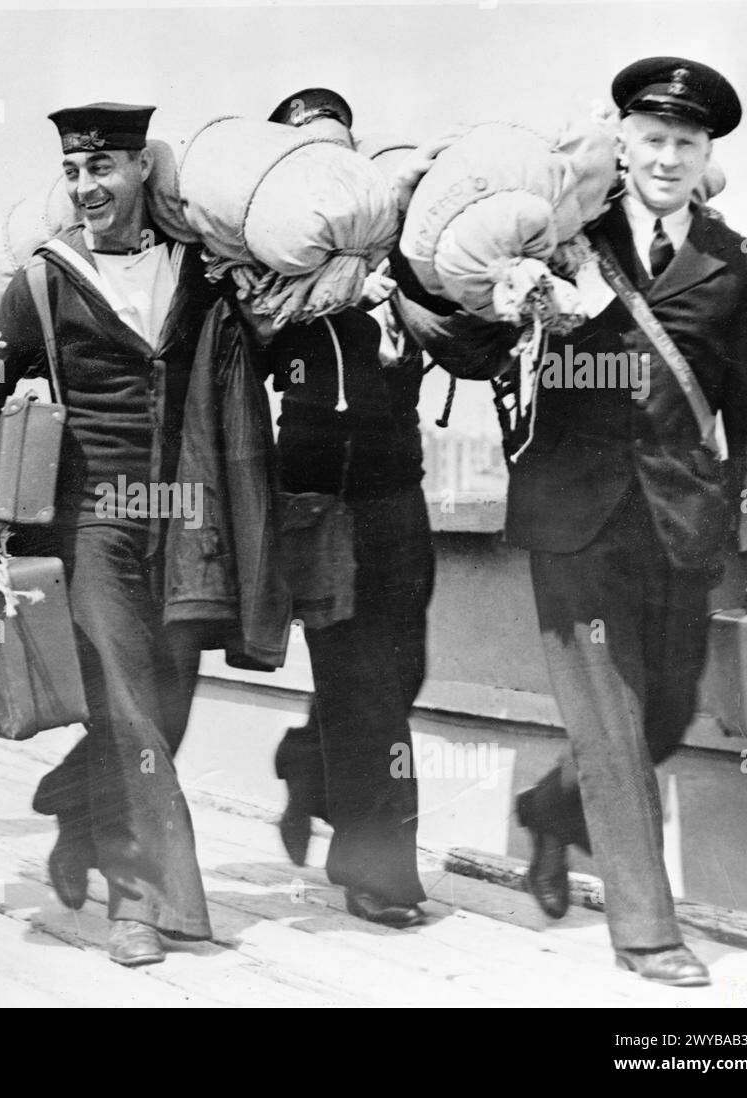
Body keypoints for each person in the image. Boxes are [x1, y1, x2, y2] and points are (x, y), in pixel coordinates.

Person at [404, 58, 747, 986]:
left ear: (706, 158)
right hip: (574, 514)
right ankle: (648, 932)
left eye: (685, 144)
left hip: (681, 518)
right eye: (651, 140)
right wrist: (488, 289)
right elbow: (463, 337)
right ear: (621, 142)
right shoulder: (559, 232)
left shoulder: (738, 262)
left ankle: (549, 811)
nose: (666, 157)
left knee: (667, 709)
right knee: (612, 727)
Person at [0, 103, 219, 966]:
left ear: (143, 169)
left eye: (102, 168)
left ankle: (77, 806)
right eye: (73, 172)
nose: (86, 187)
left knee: (168, 702)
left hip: (181, 518)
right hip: (93, 518)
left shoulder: (200, 269)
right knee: (134, 709)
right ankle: (140, 906)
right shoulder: (45, 280)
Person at [263, 89, 433, 928]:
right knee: (367, 686)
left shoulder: (401, 249)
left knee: (403, 670)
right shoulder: (266, 265)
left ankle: (308, 760)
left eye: (337, 147)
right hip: (318, 501)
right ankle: (378, 871)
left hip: (401, 487)